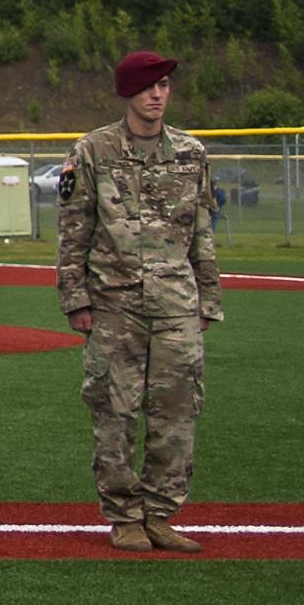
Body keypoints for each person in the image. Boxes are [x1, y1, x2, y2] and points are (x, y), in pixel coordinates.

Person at [56, 50, 221, 552]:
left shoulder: (191, 153)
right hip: (114, 304)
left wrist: (207, 299)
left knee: (176, 412)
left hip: (176, 304)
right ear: (128, 92)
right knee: (115, 411)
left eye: (165, 86)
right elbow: (73, 230)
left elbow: (201, 231)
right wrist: (75, 298)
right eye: (149, 86)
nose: (157, 95)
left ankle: (160, 514)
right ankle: (124, 514)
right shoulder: (94, 150)